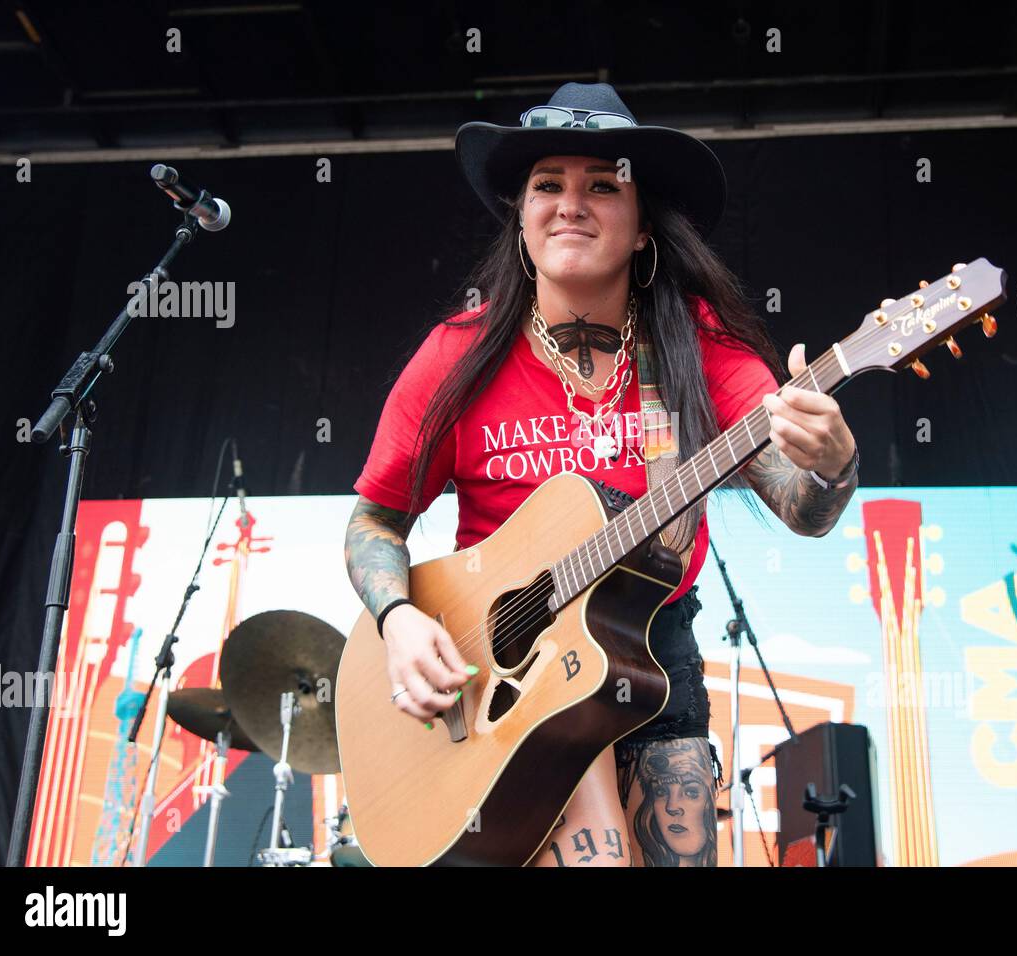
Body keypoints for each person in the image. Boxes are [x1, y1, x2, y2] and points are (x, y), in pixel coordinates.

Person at [344, 82, 859, 867]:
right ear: (520, 217)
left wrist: (833, 466)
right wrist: (398, 619)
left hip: (651, 657)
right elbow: (374, 522)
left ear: (644, 223)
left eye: (602, 185)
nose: (570, 204)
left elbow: (802, 507)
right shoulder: (458, 354)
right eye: (547, 185)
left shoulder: (698, 345)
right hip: (496, 678)